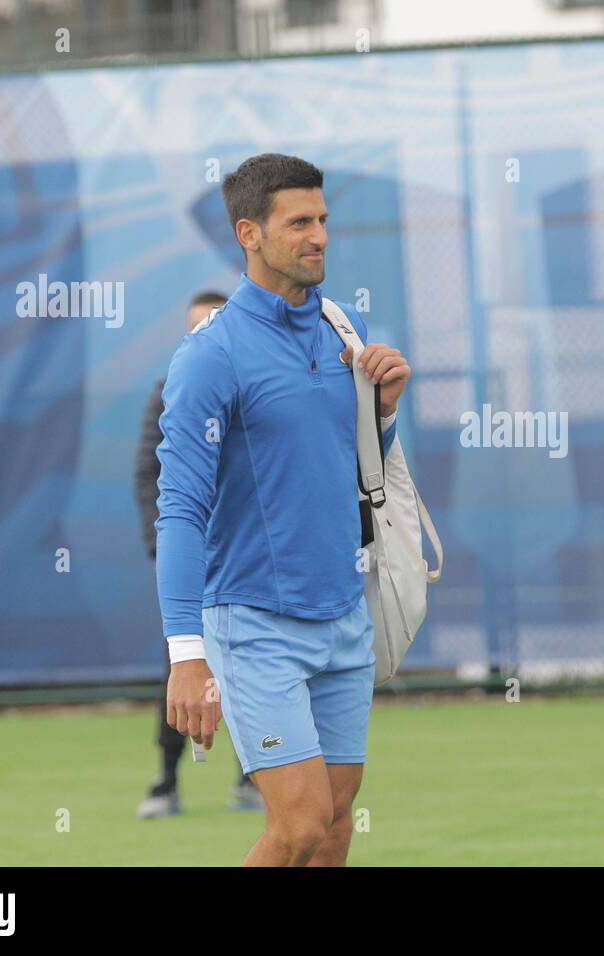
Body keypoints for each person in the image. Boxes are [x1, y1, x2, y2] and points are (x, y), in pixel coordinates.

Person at [155, 154, 411, 866]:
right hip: (254, 623)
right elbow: (178, 510)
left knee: (333, 825)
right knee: (297, 825)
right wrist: (185, 656)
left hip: (343, 613)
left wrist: (383, 412)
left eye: (323, 220)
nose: (320, 235)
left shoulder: (342, 327)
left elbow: (356, 466)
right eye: (299, 222)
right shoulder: (210, 357)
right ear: (249, 234)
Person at [134, 291, 264, 818]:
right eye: (196, 325)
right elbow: (149, 476)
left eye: (212, 322)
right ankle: (166, 782)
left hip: (246, 564)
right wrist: (163, 550)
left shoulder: (252, 388)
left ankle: (251, 779)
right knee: (185, 668)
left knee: (255, 674)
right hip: (192, 568)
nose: (204, 332)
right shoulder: (169, 391)